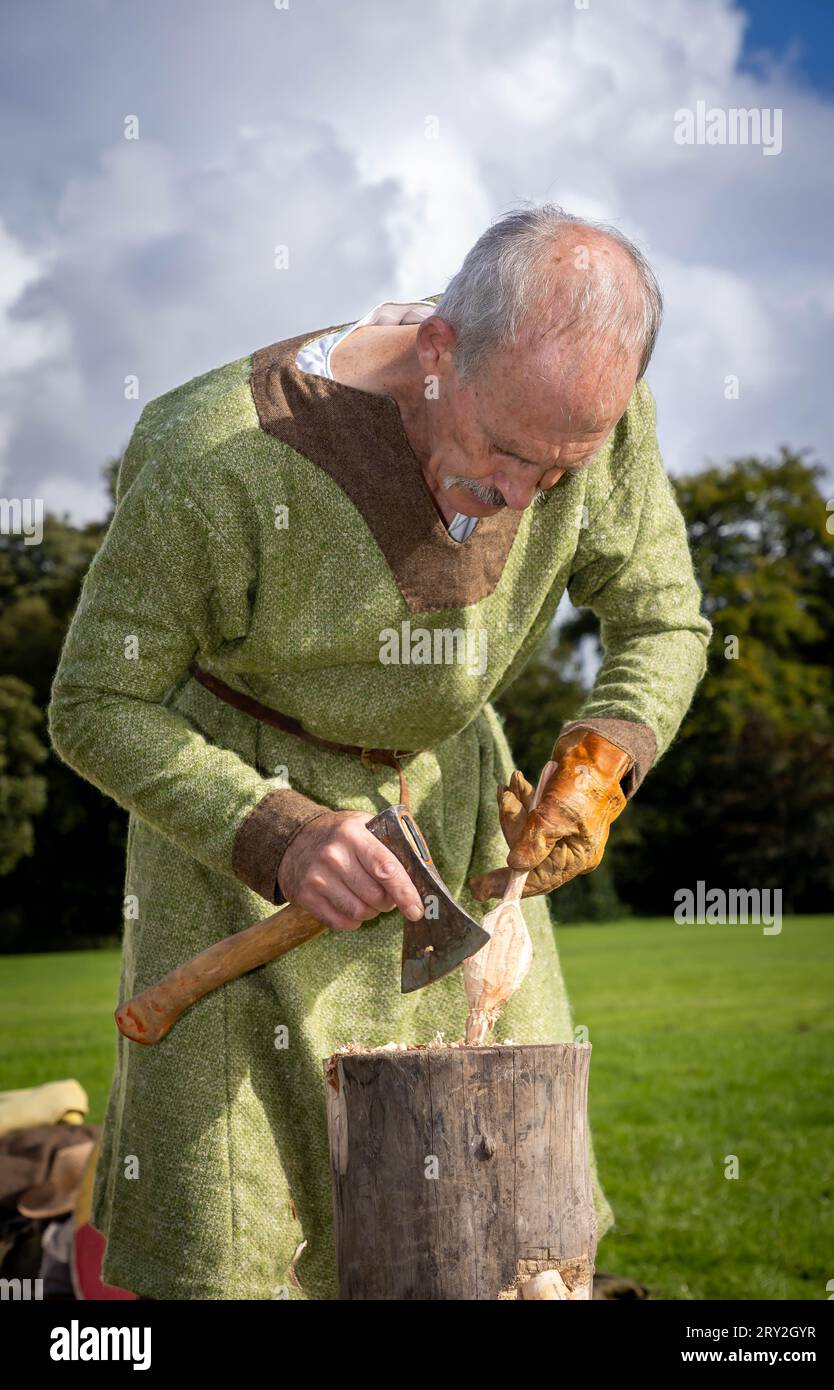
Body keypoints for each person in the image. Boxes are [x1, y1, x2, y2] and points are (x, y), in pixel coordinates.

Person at [48, 204, 712, 1299]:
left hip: (458, 842)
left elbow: (663, 615)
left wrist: (604, 756)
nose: (520, 496)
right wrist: (275, 831)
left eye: (559, 470)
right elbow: (94, 702)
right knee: (240, 1253)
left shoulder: (589, 416)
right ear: (439, 350)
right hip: (236, 869)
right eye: (502, 452)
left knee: (508, 1244)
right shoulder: (211, 457)